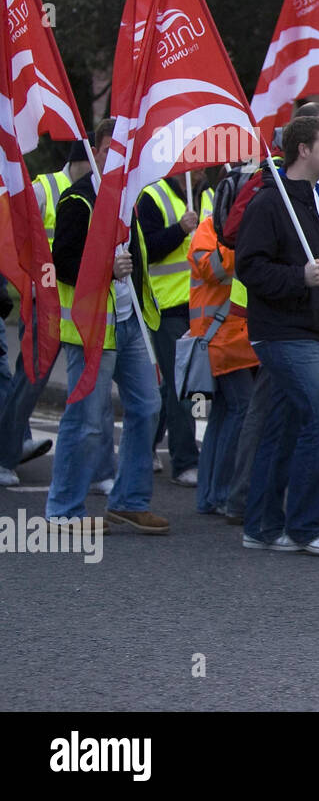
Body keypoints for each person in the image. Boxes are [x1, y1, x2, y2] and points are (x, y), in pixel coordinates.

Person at [235, 115, 319, 556]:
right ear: (302, 150)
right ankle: (307, 526)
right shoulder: (270, 203)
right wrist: (297, 277)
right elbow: (250, 267)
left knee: (282, 430)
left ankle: (262, 528)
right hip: (283, 333)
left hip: (313, 329)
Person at [46, 144, 166, 536]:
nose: (127, 161)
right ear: (98, 152)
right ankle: (64, 510)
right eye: (119, 152)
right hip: (93, 326)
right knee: (86, 420)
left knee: (148, 407)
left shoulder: (126, 196)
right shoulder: (78, 199)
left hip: (128, 323)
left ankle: (129, 502)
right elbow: (61, 264)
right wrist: (104, 269)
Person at [0, 128, 108, 488]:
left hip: (85, 308)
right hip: (46, 307)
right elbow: (16, 238)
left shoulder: (102, 192)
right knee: (29, 382)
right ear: (83, 158)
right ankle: (4, 457)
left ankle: (99, 469)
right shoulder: (44, 188)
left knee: (93, 388)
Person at [188, 214, 259, 515]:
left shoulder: (219, 227)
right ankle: (221, 493)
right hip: (220, 336)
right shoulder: (211, 227)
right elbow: (212, 269)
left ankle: (210, 495)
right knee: (240, 410)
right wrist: (243, 242)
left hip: (232, 337)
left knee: (224, 413)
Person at [138, 171, 203, 486]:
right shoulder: (152, 196)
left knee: (175, 387)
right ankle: (186, 462)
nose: (202, 169)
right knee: (182, 386)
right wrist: (179, 230)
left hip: (203, 307)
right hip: (167, 306)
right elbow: (145, 249)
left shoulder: (211, 196)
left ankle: (144, 446)